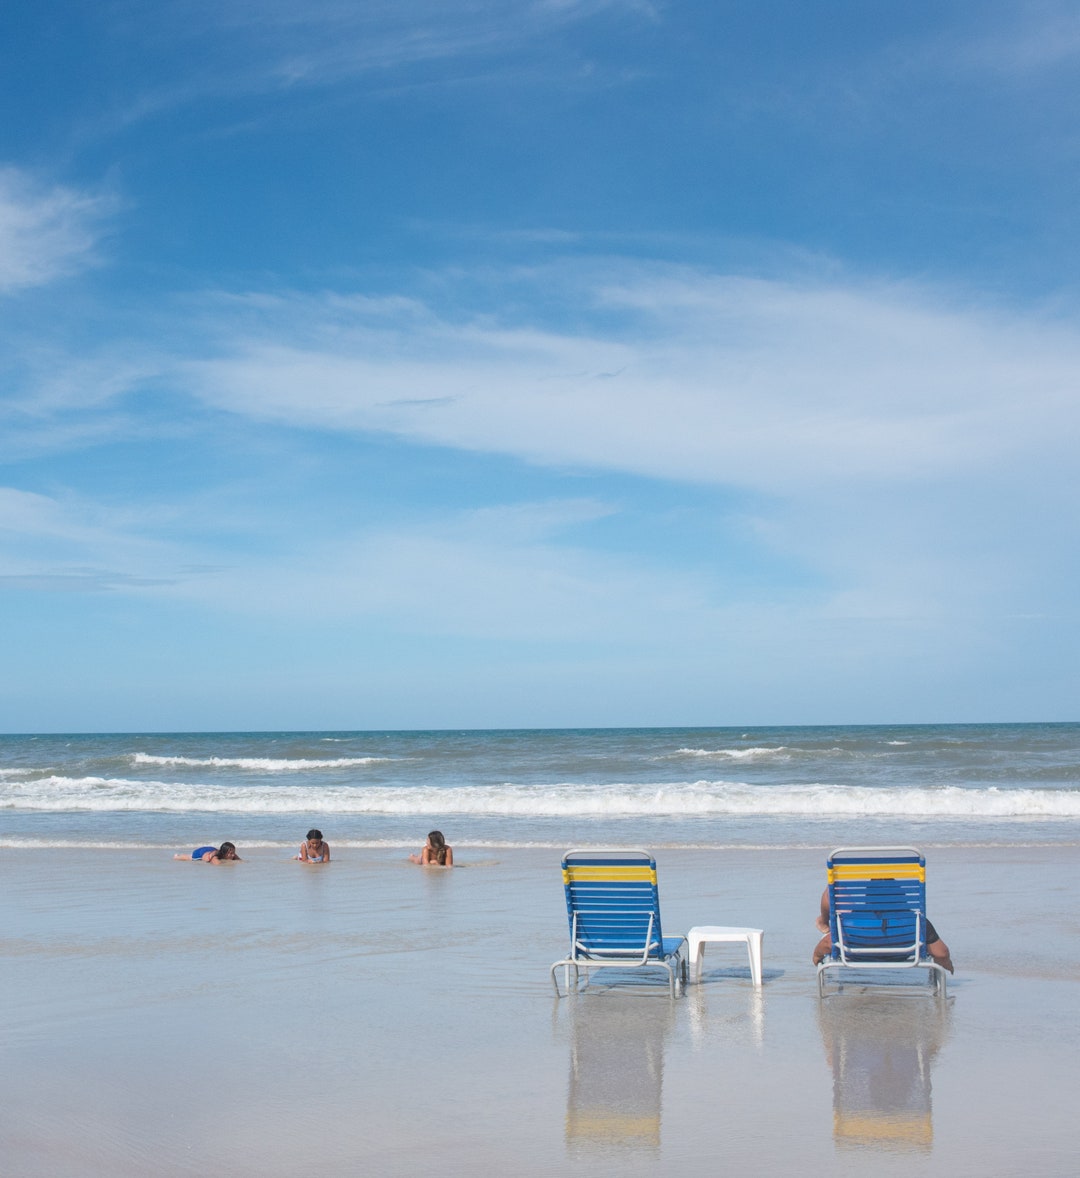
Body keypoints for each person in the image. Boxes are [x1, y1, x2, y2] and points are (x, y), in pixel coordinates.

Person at [812, 888, 953, 972]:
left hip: (858, 954)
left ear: (867, 900)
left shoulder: (851, 920)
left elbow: (827, 944)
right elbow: (942, 953)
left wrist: (816, 956)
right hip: (901, 955)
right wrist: (947, 964)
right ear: (901, 899)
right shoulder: (916, 921)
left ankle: (823, 921)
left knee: (830, 890)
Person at [174, 842, 241, 863]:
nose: (233, 855)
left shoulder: (231, 854)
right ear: (224, 853)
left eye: (233, 852)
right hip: (200, 853)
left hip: (210, 849)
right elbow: (218, 864)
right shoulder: (215, 857)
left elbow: (241, 861)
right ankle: (176, 856)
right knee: (190, 857)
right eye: (231, 853)